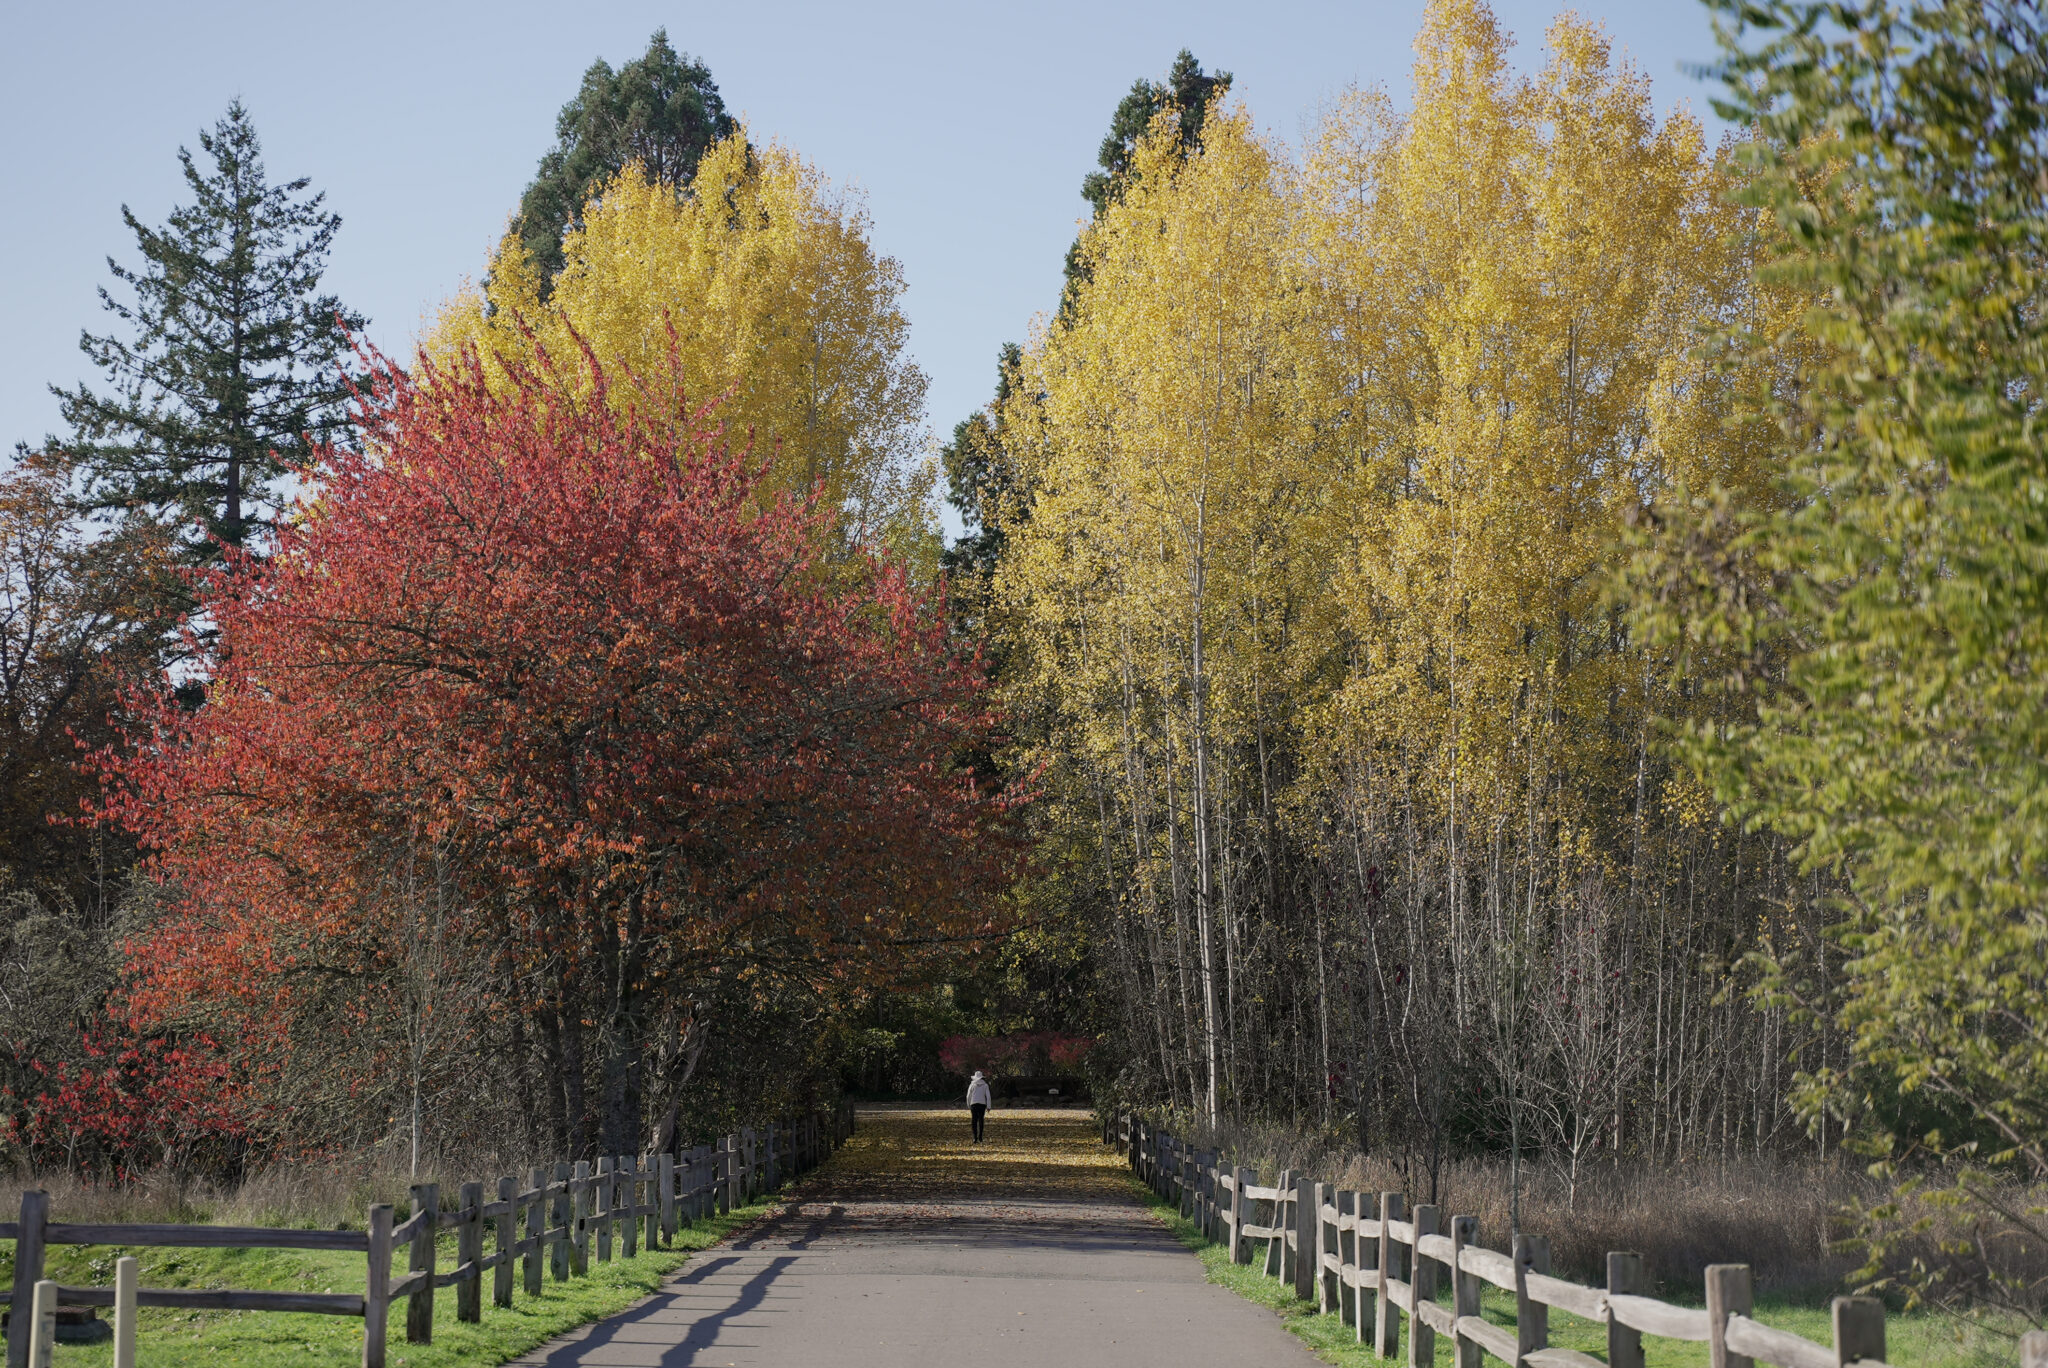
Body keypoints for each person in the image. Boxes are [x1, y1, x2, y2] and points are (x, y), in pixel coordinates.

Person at [966, 1070, 992, 1143]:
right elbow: (988, 1096)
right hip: (982, 1104)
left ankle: (975, 1137)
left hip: (973, 1104)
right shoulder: (985, 1085)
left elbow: (968, 1096)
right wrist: (989, 1106)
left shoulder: (972, 1085)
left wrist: (969, 1105)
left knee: (974, 1120)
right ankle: (980, 1136)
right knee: (981, 1120)